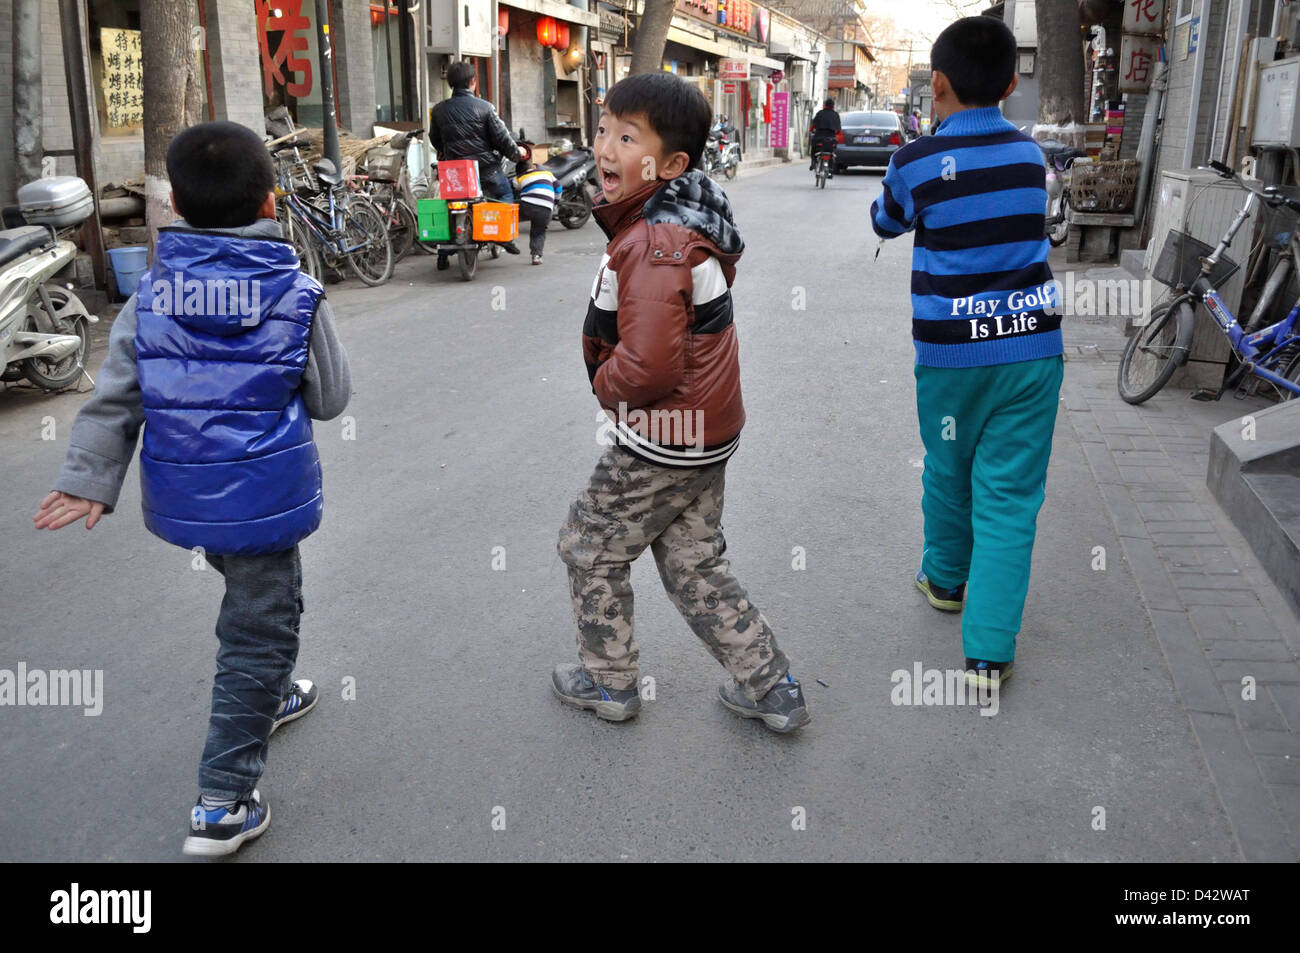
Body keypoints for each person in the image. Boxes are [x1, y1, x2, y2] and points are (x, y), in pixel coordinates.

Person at [32, 121, 352, 856]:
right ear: (272, 200)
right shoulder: (298, 293)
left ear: (173, 202)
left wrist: (88, 479)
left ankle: (272, 691)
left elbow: (116, 399)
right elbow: (331, 399)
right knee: (258, 632)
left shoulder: (149, 296)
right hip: (265, 502)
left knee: (254, 602)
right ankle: (222, 801)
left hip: (184, 500)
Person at [552, 72, 810, 734]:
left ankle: (608, 681)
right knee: (694, 561)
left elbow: (651, 364)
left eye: (627, 136)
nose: (605, 147)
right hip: (710, 432)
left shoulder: (654, 243)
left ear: (671, 164)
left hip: (662, 436)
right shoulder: (690, 218)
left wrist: (605, 386)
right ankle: (771, 684)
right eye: (604, 129)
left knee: (590, 545)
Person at [870, 16, 1064, 694]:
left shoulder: (916, 160)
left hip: (950, 358)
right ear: (1012, 84)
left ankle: (946, 580)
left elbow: (886, 221)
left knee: (948, 468)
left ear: (939, 85)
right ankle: (988, 654)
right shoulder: (1031, 157)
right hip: (1030, 353)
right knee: (1009, 495)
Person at [429, 60, 527, 263]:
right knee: (505, 193)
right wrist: (516, 155)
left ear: (451, 84)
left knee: (448, 205)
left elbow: (434, 138)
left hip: (455, 172)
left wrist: (444, 152)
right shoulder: (485, 107)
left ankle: (442, 253)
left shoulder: (439, 110)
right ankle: (503, 237)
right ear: (473, 82)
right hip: (485, 170)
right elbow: (502, 139)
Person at [516, 158, 561, 264]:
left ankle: (507, 240)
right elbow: (558, 188)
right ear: (533, 166)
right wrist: (555, 202)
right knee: (538, 232)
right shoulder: (548, 174)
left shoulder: (520, 177)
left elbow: (512, 186)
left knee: (510, 215)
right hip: (546, 209)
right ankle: (536, 256)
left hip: (527, 205)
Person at [809, 97, 841, 173]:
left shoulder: (820, 113)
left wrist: (812, 130)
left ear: (825, 105)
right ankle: (830, 168)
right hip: (831, 139)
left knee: (813, 148)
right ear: (833, 106)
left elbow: (812, 127)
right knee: (832, 152)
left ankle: (813, 162)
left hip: (819, 138)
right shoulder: (836, 115)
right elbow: (838, 130)